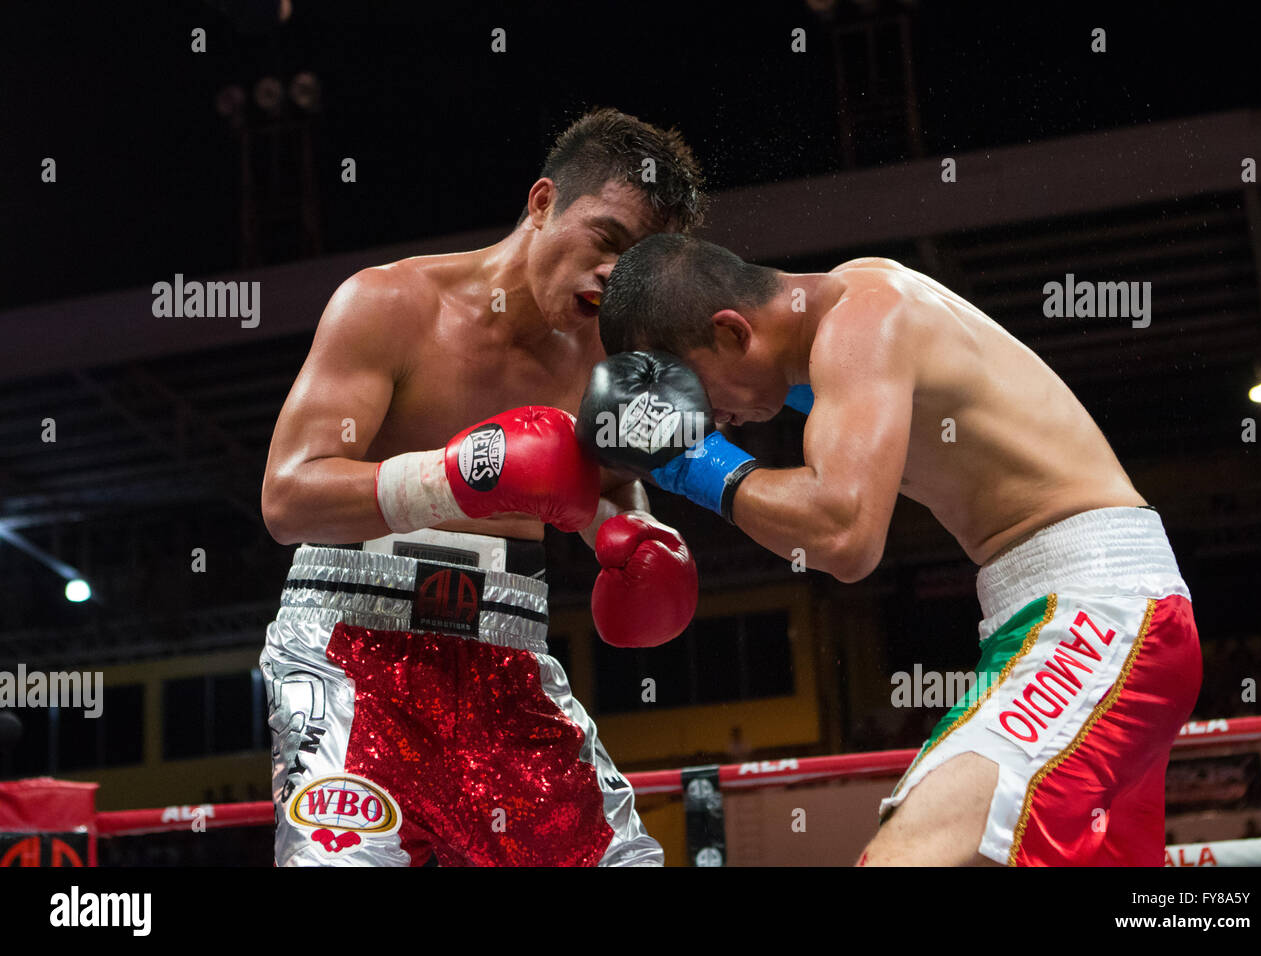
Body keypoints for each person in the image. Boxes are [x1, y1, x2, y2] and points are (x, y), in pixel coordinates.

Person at [582, 233, 1203, 866]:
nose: (713, 418)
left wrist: (691, 461)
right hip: (1072, 609)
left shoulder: (862, 320)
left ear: (733, 332)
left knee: (906, 856)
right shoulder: (847, 311)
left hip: (1098, 612)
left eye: (703, 395)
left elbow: (843, 537)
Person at [258, 111, 704, 866]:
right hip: (352, 647)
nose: (615, 278)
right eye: (607, 242)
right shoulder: (391, 305)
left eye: (640, 269)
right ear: (542, 203)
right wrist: (452, 479)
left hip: (507, 647)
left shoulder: (610, 363)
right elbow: (287, 497)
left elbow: (596, 487)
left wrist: (630, 534)